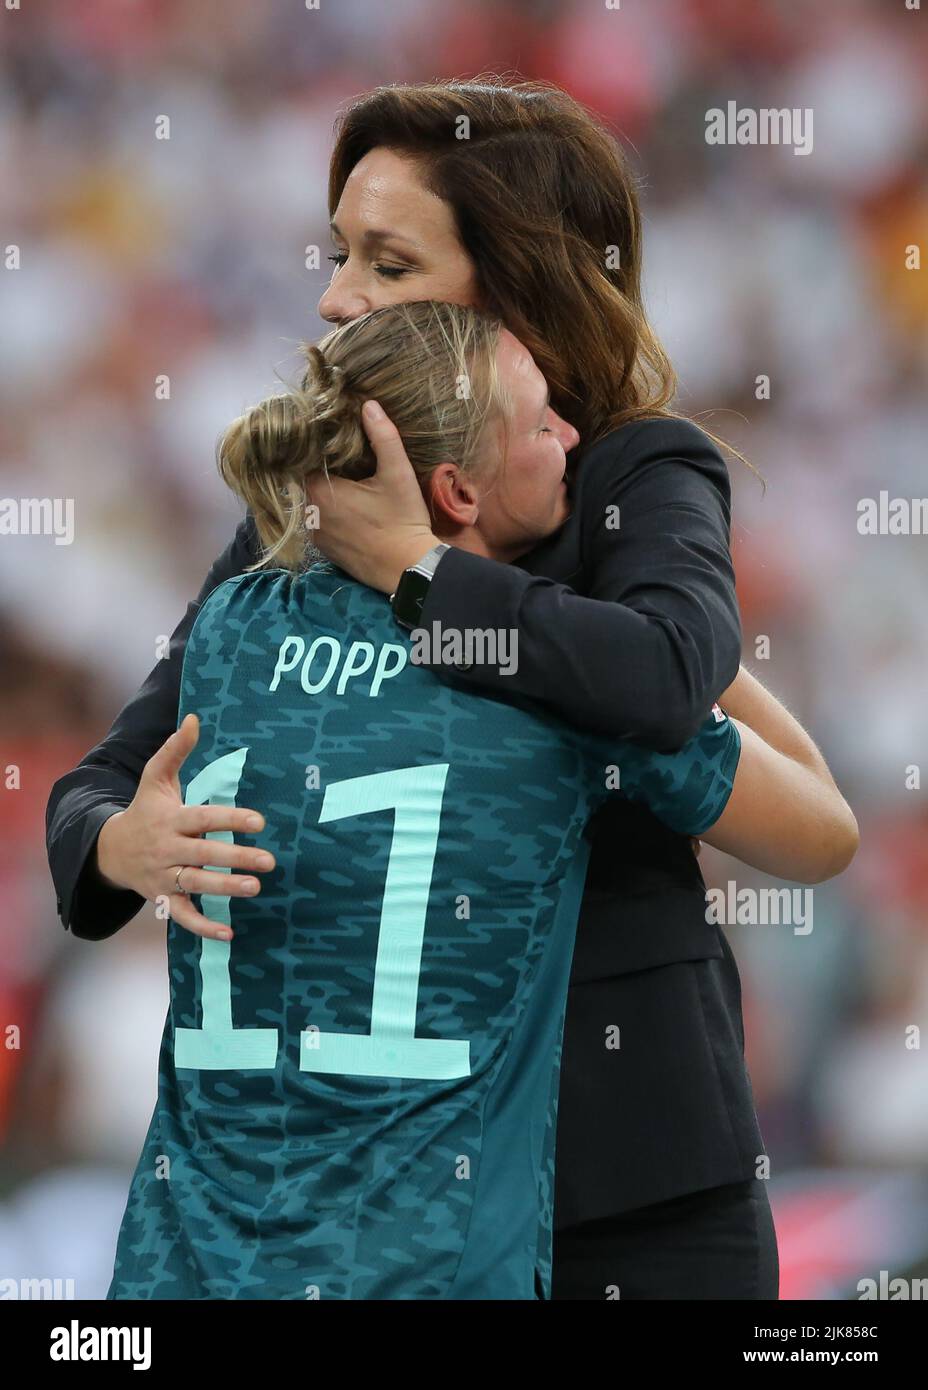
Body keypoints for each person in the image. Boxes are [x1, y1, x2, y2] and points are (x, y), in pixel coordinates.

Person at [47, 78, 859, 1299]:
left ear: (516, 286)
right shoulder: (290, 540)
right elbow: (103, 784)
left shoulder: (623, 466)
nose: (334, 296)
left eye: (385, 261)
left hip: (624, 1180)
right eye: (339, 254)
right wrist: (123, 842)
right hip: (374, 1200)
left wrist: (425, 580)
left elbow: (676, 681)